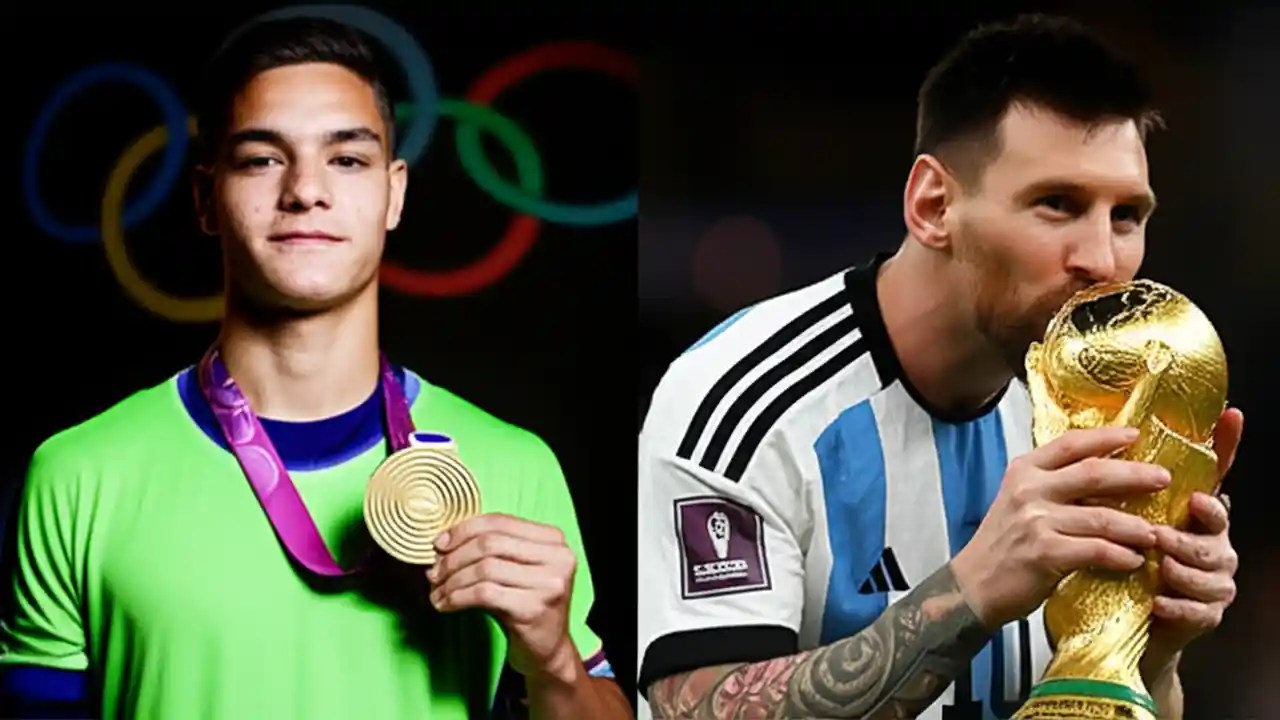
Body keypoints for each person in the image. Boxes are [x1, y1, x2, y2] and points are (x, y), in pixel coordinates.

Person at [0, 17, 630, 720]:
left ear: (395, 194)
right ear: (206, 198)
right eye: (262, 159)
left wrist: (553, 663)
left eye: (347, 159)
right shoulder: (78, 474)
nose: (305, 190)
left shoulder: (516, 467)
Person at [636, 13, 1242, 720]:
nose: (1103, 261)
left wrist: (1146, 651)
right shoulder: (741, 401)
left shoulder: (1101, 415)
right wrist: (973, 590)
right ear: (933, 205)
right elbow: (693, 708)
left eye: (1127, 216)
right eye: (1057, 204)